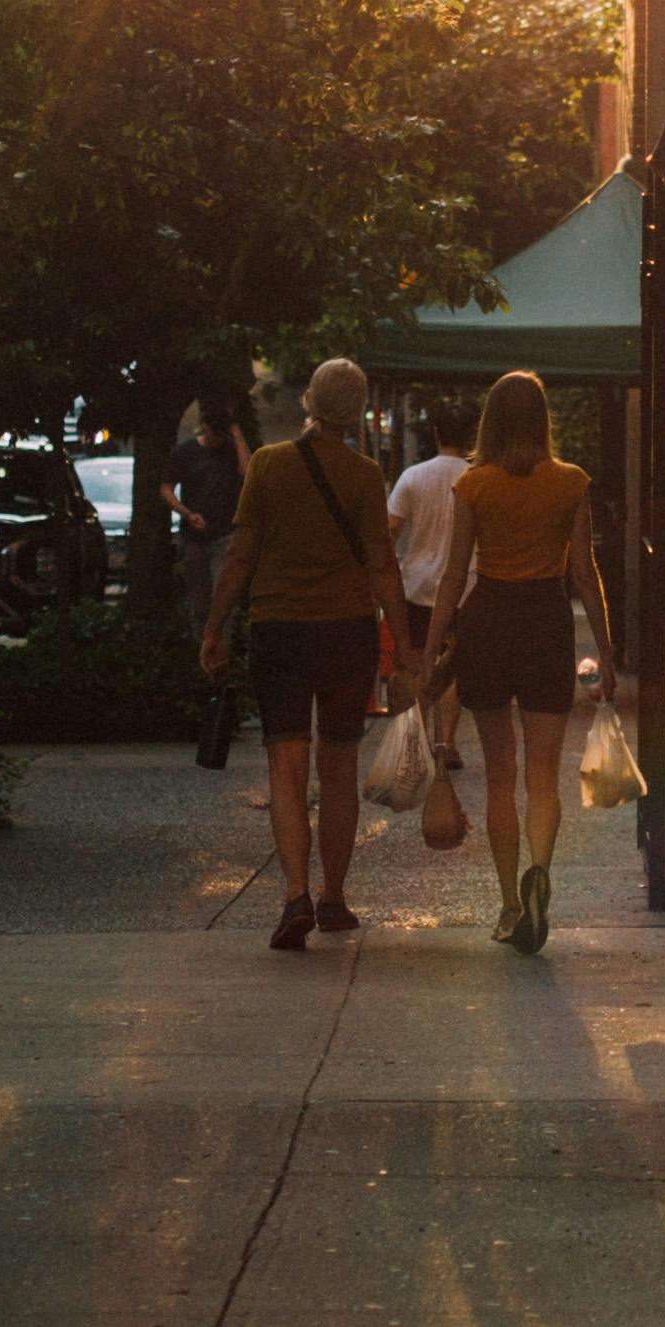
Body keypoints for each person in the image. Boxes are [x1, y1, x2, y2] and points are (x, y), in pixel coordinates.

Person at [200, 355, 415, 951]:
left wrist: (214, 626)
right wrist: (406, 646)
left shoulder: (268, 466)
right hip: (347, 632)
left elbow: (241, 555)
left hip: (280, 631)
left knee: (286, 766)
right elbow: (381, 564)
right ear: (358, 409)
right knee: (339, 765)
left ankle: (295, 894)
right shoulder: (365, 476)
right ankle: (335, 897)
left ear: (309, 404)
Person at [422, 364, 617, 954]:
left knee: (499, 775)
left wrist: (430, 648)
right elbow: (585, 572)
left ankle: (509, 904)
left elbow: (455, 573)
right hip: (544, 622)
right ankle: (542, 873)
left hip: (488, 620)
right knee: (543, 774)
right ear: (541, 420)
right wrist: (606, 652)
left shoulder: (474, 485)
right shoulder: (571, 482)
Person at [385, 394, 474, 787]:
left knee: (418, 663)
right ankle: (447, 742)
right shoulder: (477, 478)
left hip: (417, 585)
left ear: (435, 433)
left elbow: (389, 531)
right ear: (471, 436)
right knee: (452, 667)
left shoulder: (412, 477)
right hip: (466, 589)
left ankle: (416, 742)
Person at [170, 394, 245, 646]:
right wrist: (186, 513)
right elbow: (166, 487)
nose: (217, 441)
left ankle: (220, 651)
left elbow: (248, 471)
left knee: (223, 600)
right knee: (200, 603)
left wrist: (235, 434)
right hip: (195, 537)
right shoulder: (186, 452)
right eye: (215, 435)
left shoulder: (231, 451)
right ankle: (201, 652)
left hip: (224, 535)